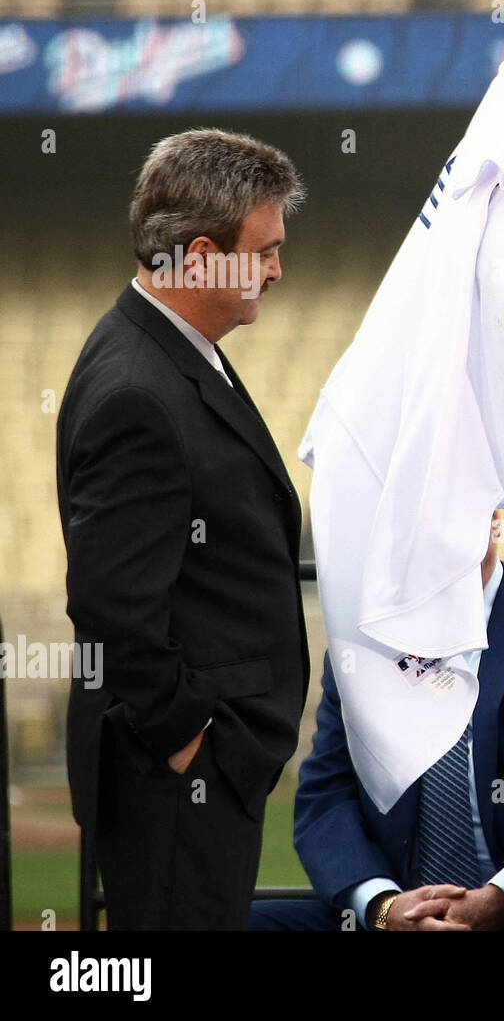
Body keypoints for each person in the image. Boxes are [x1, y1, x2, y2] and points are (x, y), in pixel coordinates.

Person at [57, 129, 309, 930]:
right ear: (202, 256)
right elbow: (112, 606)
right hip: (175, 785)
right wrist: (195, 743)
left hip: (189, 780)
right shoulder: (140, 385)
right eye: (264, 249)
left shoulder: (165, 351)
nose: (276, 268)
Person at [251, 513, 504, 931]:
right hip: (397, 915)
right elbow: (325, 797)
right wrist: (384, 908)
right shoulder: (364, 640)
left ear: (495, 520)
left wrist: (503, 899)